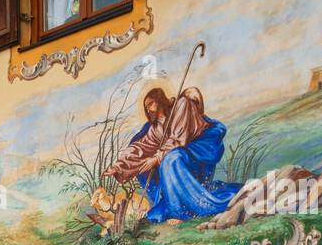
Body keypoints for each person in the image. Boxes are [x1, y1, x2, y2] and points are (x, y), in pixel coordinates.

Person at [103, 86, 241, 224]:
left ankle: (185, 211)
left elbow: (178, 139)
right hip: (178, 161)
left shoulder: (182, 105)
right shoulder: (155, 129)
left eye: (150, 104)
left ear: (160, 100)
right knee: (167, 160)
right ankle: (178, 209)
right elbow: (139, 148)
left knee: (171, 159)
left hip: (197, 158)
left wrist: (157, 158)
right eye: (146, 107)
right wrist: (118, 166)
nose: (148, 110)